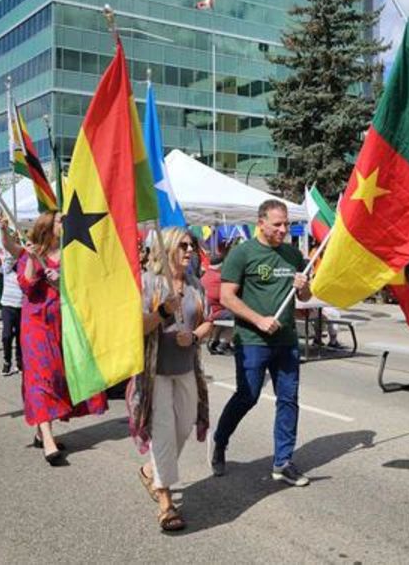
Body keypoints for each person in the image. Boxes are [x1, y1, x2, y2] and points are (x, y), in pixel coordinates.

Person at [211, 199, 312, 487]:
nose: (284, 229)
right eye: (277, 224)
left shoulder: (293, 254)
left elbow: (304, 298)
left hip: (286, 340)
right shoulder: (242, 254)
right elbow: (227, 297)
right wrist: (258, 320)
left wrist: (304, 288)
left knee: (289, 399)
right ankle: (220, 441)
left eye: (287, 224)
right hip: (252, 339)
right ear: (261, 223)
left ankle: (283, 462)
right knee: (248, 395)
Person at [128, 227, 212, 532]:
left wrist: (193, 336)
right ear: (168, 248)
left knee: (184, 424)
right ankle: (165, 502)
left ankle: (151, 469)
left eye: (193, 246)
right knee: (163, 429)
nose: (190, 251)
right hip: (155, 371)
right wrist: (163, 311)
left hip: (186, 368)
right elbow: (137, 327)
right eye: (184, 246)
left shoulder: (195, 285)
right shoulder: (148, 282)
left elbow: (208, 324)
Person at [17, 211, 108, 465]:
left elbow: (85, 286)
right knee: (40, 377)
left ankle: (40, 430)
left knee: (57, 378)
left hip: (64, 323)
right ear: (47, 226)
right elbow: (25, 284)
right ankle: (48, 441)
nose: (65, 225)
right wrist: (32, 259)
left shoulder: (72, 253)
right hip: (36, 324)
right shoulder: (32, 252)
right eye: (60, 221)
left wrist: (63, 280)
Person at [0, 219, 25, 376]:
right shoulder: (8, 267)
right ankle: (6, 360)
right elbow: (10, 253)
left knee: (21, 337)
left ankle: (19, 362)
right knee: (7, 335)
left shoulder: (25, 268)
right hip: (8, 305)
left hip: (22, 306)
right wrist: (6, 232)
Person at [203, 238, 236, 355]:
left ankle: (215, 341)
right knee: (239, 314)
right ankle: (224, 343)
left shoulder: (206, 275)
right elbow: (226, 297)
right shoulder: (219, 278)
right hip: (215, 312)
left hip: (211, 310)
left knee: (226, 312)